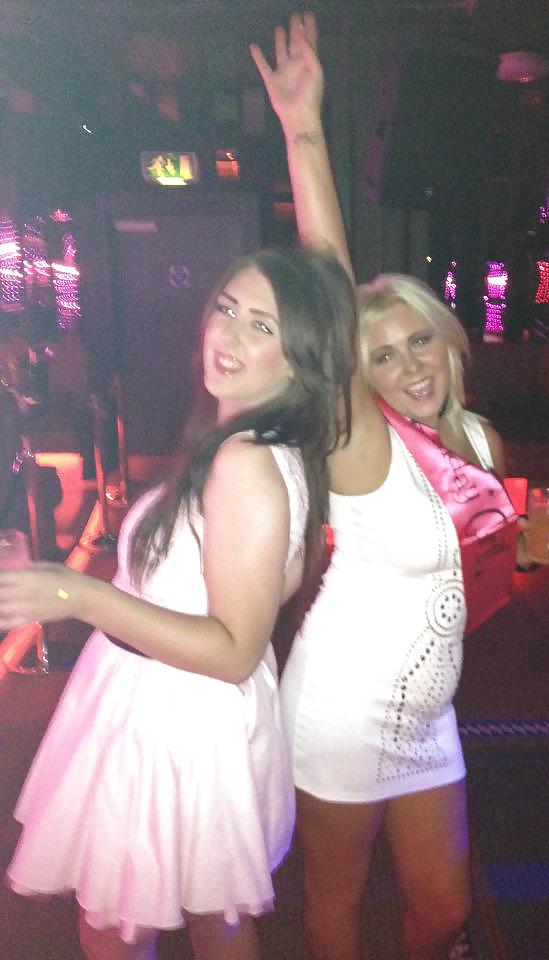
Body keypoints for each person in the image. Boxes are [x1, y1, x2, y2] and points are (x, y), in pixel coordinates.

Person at [251, 15, 549, 960]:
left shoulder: (478, 439)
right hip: (341, 712)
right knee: (338, 905)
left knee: (441, 912)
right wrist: (305, 131)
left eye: (418, 340)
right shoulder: (360, 441)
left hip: (431, 719)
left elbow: (474, 562)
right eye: (381, 356)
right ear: (361, 375)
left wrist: (531, 548)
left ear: (448, 339)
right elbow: (328, 274)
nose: (408, 366)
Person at [0, 247, 355, 960]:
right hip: (178, 708)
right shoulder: (252, 445)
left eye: (263, 326)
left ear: (300, 358)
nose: (230, 334)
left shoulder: (247, 461)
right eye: (227, 309)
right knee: (208, 918)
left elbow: (235, 649)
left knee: (117, 930)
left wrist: (80, 594)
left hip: (177, 719)